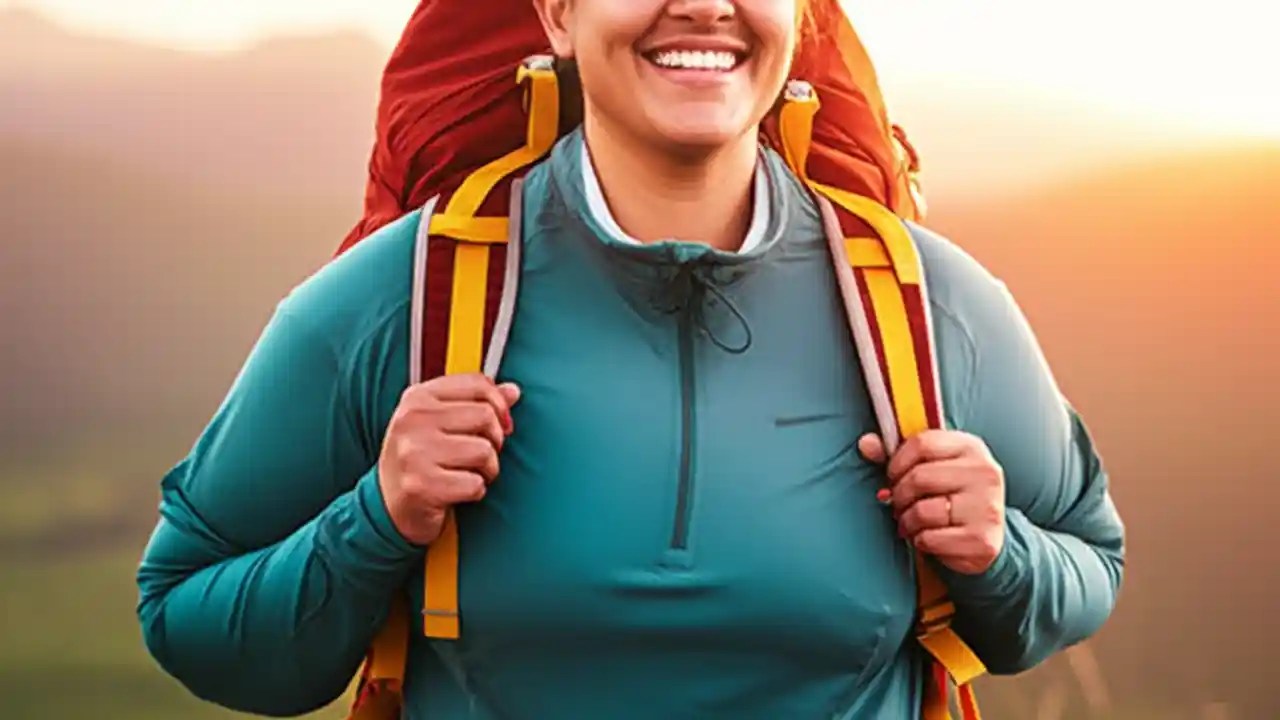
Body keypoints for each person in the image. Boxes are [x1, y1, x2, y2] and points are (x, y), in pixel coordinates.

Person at [135, 1, 1126, 718]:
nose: (702, 6)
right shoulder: (405, 297)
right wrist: (377, 519)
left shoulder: (923, 304)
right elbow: (187, 614)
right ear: (557, 15)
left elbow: (1089, 563)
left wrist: (997, 553)